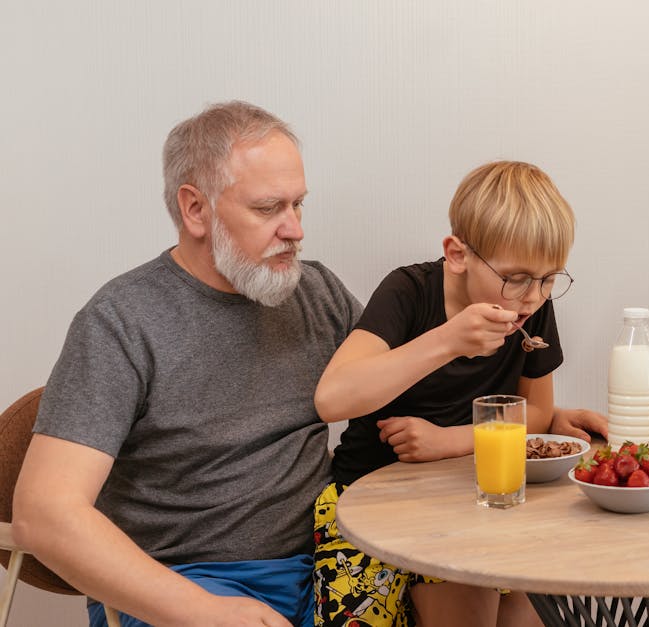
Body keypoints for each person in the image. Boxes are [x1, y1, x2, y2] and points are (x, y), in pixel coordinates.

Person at [12, 101, 362, 627]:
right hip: (186, 588)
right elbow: (43, 515)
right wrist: (205, 612)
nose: (295, 230)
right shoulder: (120, 321)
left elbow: (409, 392)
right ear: (195, 210)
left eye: (298, 205)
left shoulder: (317, 291)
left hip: (325, 568)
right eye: (269, 209)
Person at [311, 160, 606, 627]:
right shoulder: (409, 291)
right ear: (457, 255)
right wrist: (447, 340)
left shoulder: (530, 307)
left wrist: (447, 441)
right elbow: (332, 398)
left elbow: (538, 413)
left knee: (529, 599)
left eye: (549, 279)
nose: (532, 297)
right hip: (370, 501)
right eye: (517, 278)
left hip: (470, 498)